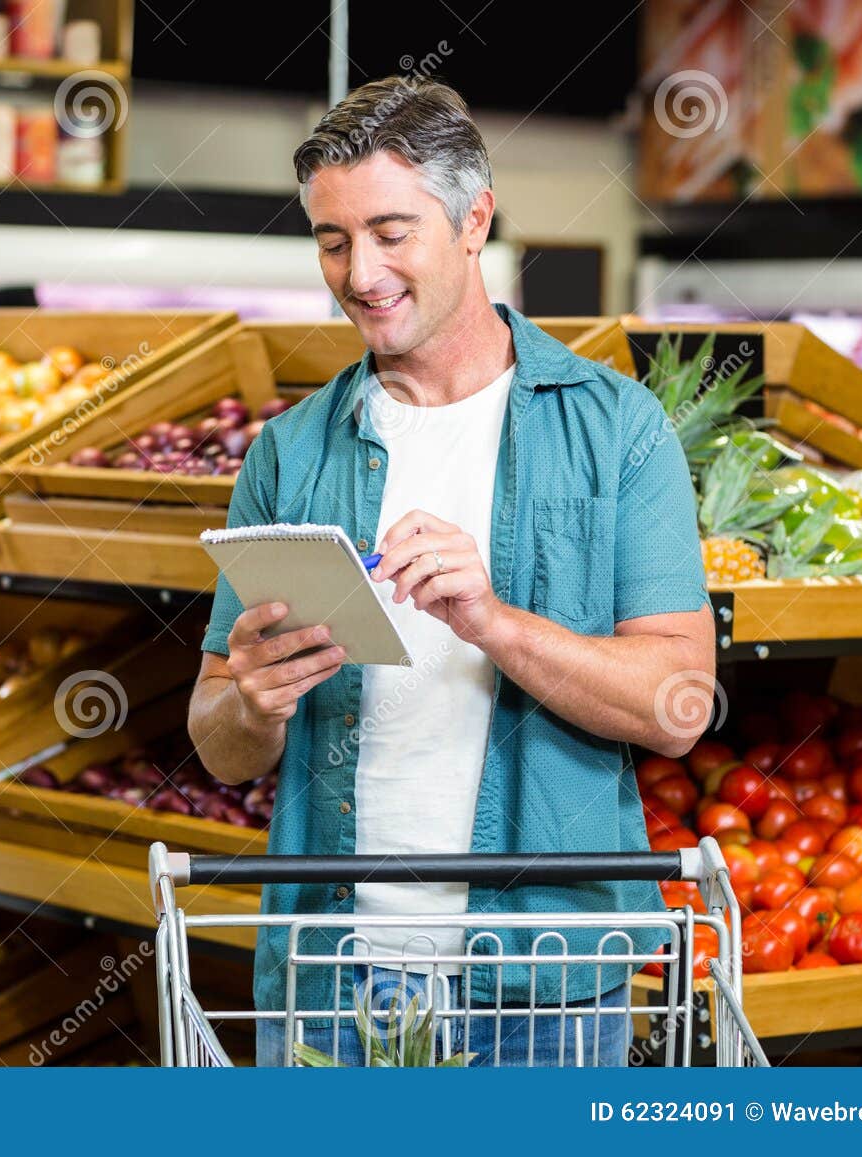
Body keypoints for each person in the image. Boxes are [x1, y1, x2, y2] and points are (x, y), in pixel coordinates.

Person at [187, 78, 715, 1067]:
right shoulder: (289, 452)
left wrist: (491, 621)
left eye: (391, 231)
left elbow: (677, 705)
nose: (360, 271)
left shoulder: (614, 429)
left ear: (474, 220)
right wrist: (250, 703)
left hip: (544, 976)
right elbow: (219, 745)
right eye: (331, 239)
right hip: (329, 969)